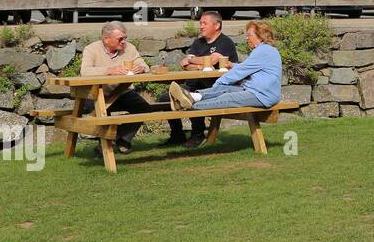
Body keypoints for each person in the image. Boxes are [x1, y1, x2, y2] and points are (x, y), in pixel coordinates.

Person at [79, 22, 160, 154]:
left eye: (124, 38)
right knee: (102, 110)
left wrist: (141, 68)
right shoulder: (91, 49)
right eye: (120, 39)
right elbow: (85, 71)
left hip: (123, 91)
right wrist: (110, 70)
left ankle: (121, 138)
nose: (123, 42)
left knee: (144, 108)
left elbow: (145, 66)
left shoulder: (129, 48)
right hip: (98, 93)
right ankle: (106, 145)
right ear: (106, 38)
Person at [168, 19, 282, 111]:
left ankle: (188, 105)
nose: (247, 38)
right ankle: (191, 96)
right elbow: (247, 68)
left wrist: (218, 82)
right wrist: (233, 65)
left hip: (263, 95)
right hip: (253, 90)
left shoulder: (263, 51)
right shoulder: (265, 50)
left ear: (261, 36)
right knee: (224, 89)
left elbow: (240, 72)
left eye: (249, 35)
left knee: (227, 97)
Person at [165, 10, 239, 149]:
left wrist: (193, 60)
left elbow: (211, 60)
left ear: (216, 26)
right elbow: (184, 65)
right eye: (200, 23)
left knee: (191, 96)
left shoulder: (225, 42)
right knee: (166, 97)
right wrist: (201, 66)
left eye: (204, 23)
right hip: (193, 83)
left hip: (215, 88)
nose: (201, 27)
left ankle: (197, 135)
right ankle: (177, 135)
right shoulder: (198, 42)